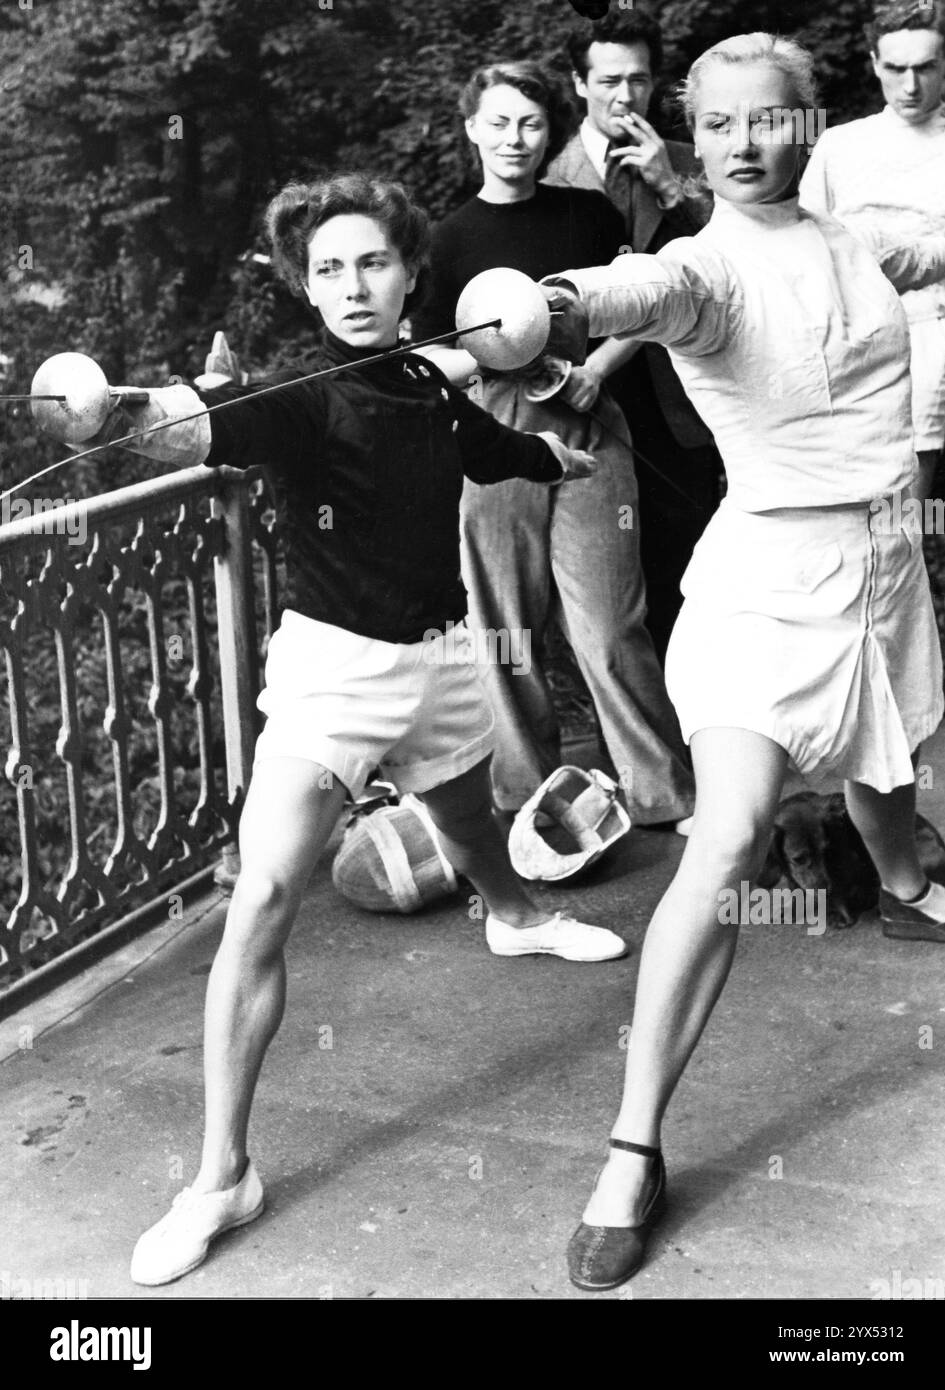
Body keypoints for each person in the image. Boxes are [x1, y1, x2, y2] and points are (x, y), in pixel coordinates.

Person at [87, 174, 635, 1287]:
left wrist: (553, 458)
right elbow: (203, 423)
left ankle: (518, 915)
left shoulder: (426, 379)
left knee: (472, 821)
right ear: (303, 282)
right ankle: (220, 1176)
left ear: (408, 271)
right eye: (328, 267)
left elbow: (478, 443)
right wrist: (119, 412)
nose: (352, 284)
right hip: (334, 674)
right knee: (267, 896)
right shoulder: (303, 391)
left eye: (371, 262)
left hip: (440, 659)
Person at [539, 33, 945, 1292]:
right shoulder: (700, 268)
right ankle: (630, 1146)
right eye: (716, 125)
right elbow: (627, 291)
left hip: (884, 564)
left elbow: (923, 252)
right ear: (692, 135)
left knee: (891, 745)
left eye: (767, 120)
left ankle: (900, 883)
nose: (742, 144)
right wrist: (551, 309)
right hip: (766, 589)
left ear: (810, 123)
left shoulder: (852, 235)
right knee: (725, 845)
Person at [413, 60, 694, 827]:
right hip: (491, 428)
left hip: (589, 420)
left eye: (531, 124)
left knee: (609, 622)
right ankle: (524, 796)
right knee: (503, 630)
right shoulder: (446, 240)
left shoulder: (589, 215)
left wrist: (596, 370)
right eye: (499, 122)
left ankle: (661, 794)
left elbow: (639, 305)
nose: (515, 139)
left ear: (551, 132)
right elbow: (434, 359)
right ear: (472, 127)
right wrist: (496, 362)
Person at [544, 8, 722, 657]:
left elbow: (736, 264)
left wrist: (670, 184)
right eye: (610, 80)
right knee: (609, 594)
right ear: (578, 82)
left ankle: (702, 733)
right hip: (592, 405)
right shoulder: (548, 176)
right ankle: (639, 749)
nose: (626, 96)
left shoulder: (685, 161)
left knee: (695, 573)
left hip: (683, 405)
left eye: (640, 80)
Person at [800, 0, 945, 501]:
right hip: (844, 335)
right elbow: (801, 246)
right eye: (896, 69)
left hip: (934, 338)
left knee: (904, 502)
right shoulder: (841, 145)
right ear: (874, 63)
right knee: (838, 498)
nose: (910, 86)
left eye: (925, 67)